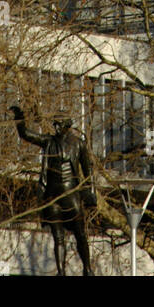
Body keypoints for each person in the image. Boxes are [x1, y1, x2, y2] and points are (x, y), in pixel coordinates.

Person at [11, 106, 96, 276]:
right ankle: (61, 271)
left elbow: (88, 172)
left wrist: (90, 194)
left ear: (66, 125)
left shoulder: (79, 144)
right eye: (54, 124)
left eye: (58, 124)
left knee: (80, 233)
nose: (55, 127)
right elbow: (26, 134)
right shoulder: (49, 141)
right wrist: (19, 119)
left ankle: (87, 269)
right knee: (58, 237)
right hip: (52, 195)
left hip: (70, 192)